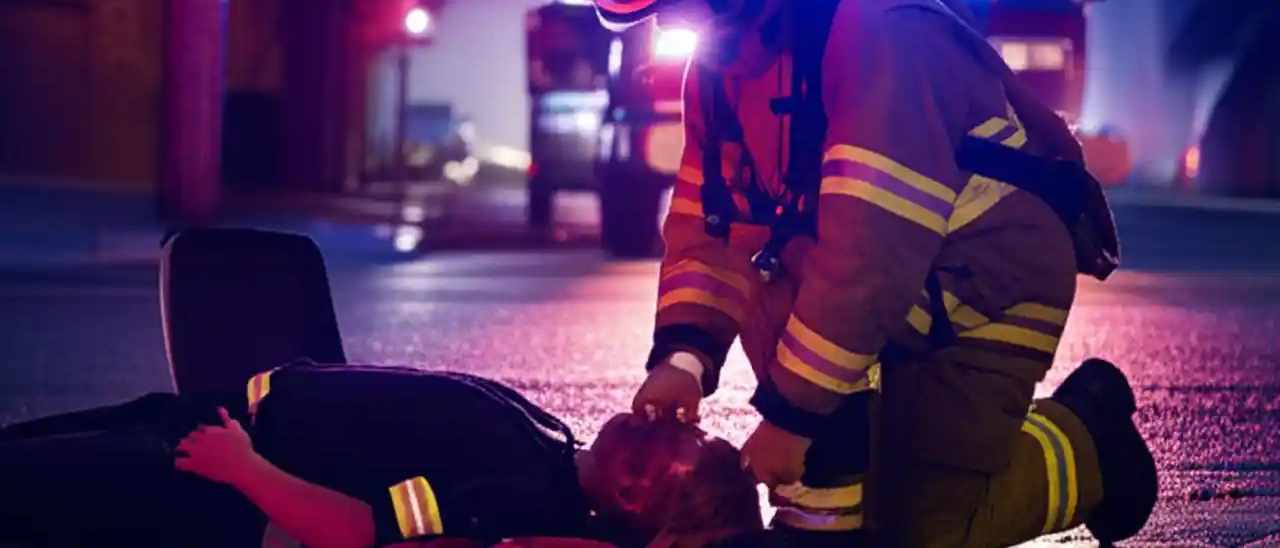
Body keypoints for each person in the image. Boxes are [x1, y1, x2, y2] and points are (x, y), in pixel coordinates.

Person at [556, 0, 1157, 546]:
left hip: (987, 284)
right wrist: (684, 361)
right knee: (787, 303)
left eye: (676, 3)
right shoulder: (725, 65)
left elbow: (871, 253)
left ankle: (1090, 439)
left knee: (927, 527)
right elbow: (711, 229)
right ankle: (824, 523)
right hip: (891, 295)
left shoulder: (880, 30)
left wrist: (790, 420)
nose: (668, 24)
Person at [0, 360, 761, 548]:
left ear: (633, 499)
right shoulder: (554, 444)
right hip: (203, 420)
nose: (664, 419)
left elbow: (367, 528)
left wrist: (243, 468)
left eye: (674, 442)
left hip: (211, 475)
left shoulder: (523, 493)